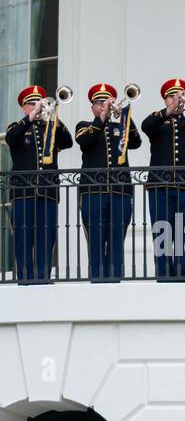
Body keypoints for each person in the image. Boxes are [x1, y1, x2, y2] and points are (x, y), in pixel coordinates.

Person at [141, 77, 185, 281]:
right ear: (165, 100)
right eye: (171, 95)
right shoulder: (157, 119)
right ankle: (164, 276)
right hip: (159, 186)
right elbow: (146, 126)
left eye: (179, 95)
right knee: (161, 232)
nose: (176, 98)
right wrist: (168, 112)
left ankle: (183, 276)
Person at [75, 83, 142, 282]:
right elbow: (84, 141)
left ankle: (115, 280)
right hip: (92, 192)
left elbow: (136, 142)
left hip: (120, 192)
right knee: (95, 239)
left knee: (116, 239)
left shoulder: (120, 127)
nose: (103, 105)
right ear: (93, 107)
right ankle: (96, 279)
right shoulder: (84, 126)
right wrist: (102, 117)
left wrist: (123, 116)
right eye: (99, 102)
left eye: (106, 102)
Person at [5, 85, 72, 283]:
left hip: (47, 192)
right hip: (22, 193)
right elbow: (11, 138)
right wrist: (32, 116)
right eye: (32, 104)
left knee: (46, 237)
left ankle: (43, 278)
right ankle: (25, 279)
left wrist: (54, 118)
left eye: (39, 103)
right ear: (24, 108)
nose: (37, 106)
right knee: (23, 239)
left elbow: (67, 142)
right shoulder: (16, 126)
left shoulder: (50, 128)